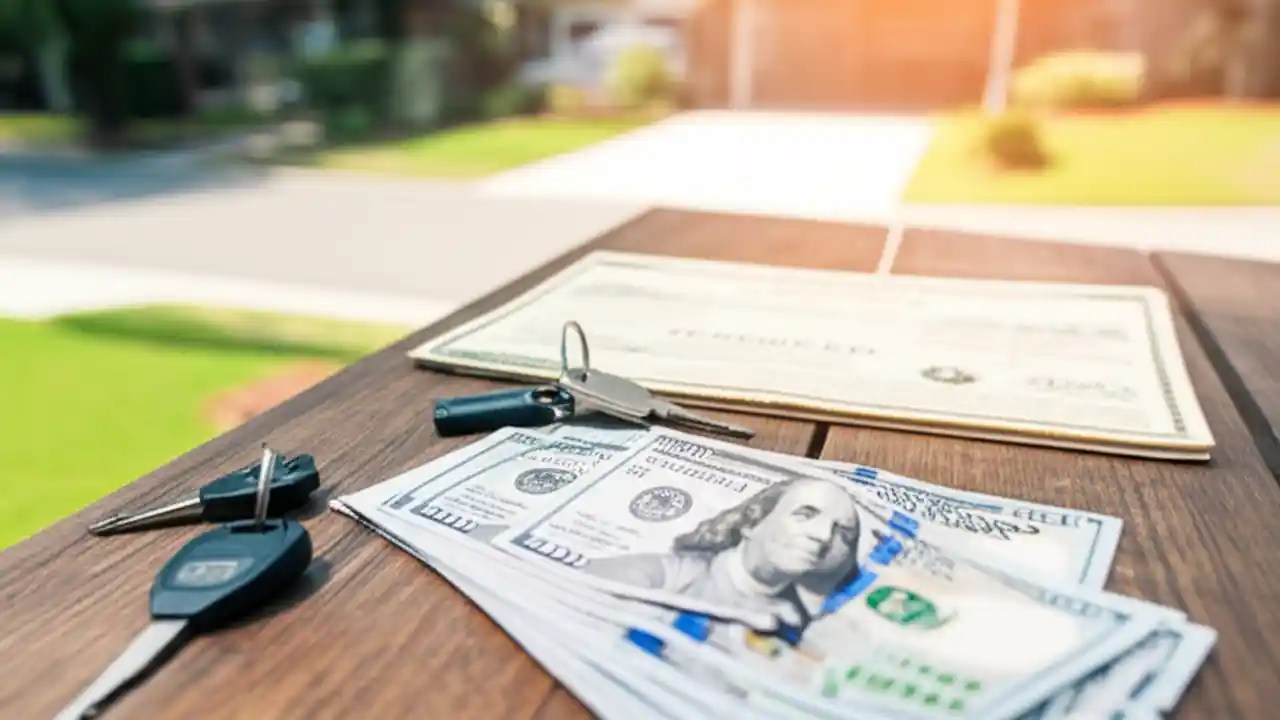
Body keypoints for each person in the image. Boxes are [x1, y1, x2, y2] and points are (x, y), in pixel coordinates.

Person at [587, 477, 861, 631]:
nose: (823, 536)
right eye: (805, 515)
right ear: (753, 522)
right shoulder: (658, 576)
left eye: (843, 534)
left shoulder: (799, 626)